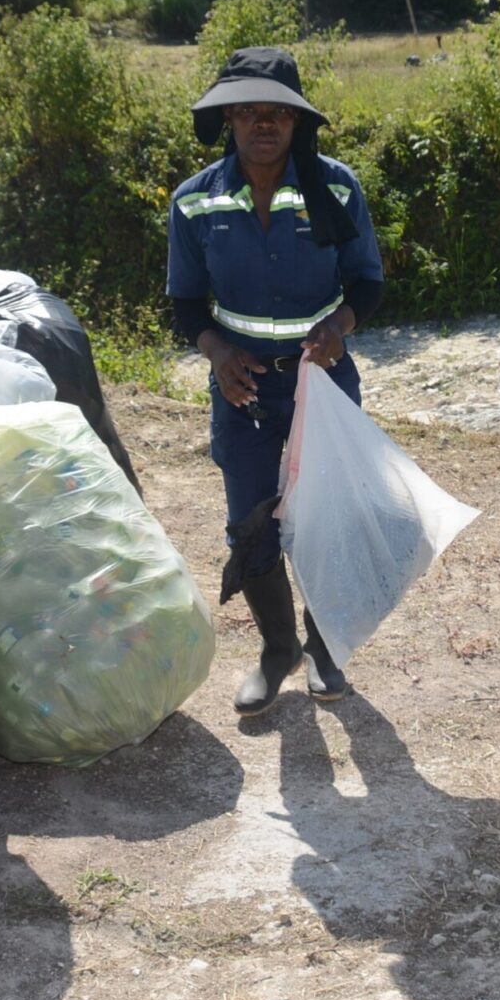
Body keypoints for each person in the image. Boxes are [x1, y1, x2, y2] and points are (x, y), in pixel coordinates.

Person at [167, 47, 386, 716]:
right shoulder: (196, 201)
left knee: (326, 517)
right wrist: (217, 353)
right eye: (250, 111)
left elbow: (368, 284)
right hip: (244, 392)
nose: (264, 124)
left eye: (278, 114)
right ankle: (277, 650)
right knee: (251, 522)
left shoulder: (336, 188)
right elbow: (185, 307)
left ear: (296, 122)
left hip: (320, 384)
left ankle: (324, 649)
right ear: (230, 118)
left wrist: (340, 327)